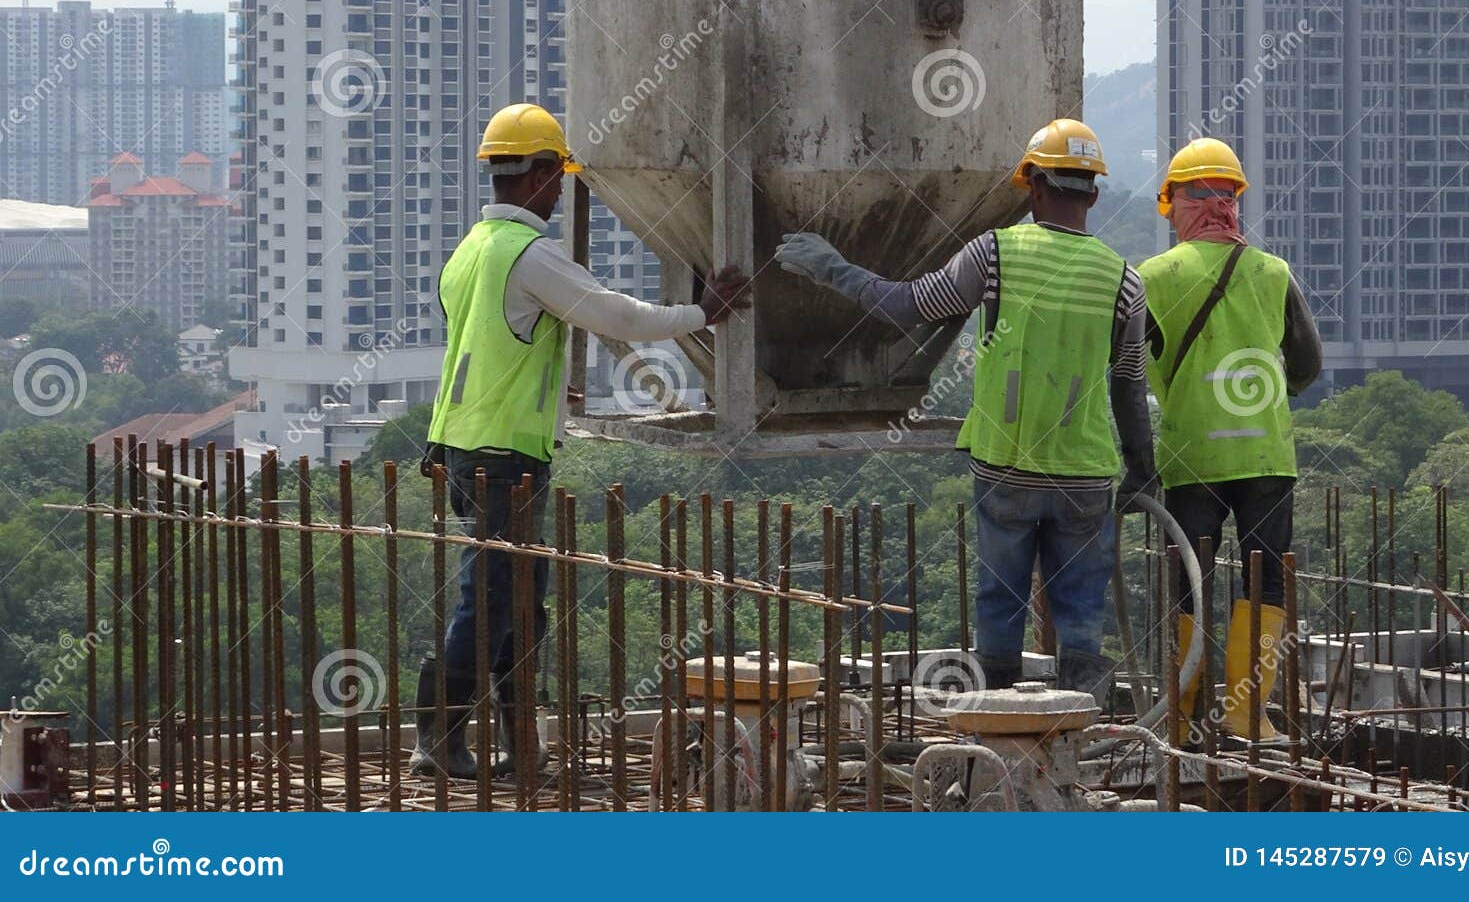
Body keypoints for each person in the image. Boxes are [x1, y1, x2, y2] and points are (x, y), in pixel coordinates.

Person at [411, 102, 750, 779]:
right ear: (537, 174)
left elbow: (489, 349)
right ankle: (437, 742)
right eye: (557, 174)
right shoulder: (528, 255)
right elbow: (612, 314)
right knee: (490, 603)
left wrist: (544, 395)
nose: (561, 188)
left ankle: (516, 746)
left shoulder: (469, 251)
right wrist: (701, 313)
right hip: (501, 459)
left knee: (518, 600)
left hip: (462, 449)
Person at [776, 118, 1156, 704]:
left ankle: (1000, 725)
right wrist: (1142, 468)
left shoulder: (996, 254)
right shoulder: (1124, 280)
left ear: (1032, 187)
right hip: (1086, 474)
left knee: (1001, 599)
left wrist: (830, 266)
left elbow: (907, 306)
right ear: (1095, 194)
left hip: (1005, 464)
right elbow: (1129, 388)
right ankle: (1089, 734)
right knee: (1081, 610)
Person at [1137, 137, 1321, 741]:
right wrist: (1268, 391)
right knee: (1263, 577)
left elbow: (1129, 365)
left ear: (1177, 205)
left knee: (1189, 578)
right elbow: (1307, 362)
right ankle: (1246, 712)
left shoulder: (1152, 278)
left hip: (1191, 454)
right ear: (1233, 202)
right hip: (1266, 453)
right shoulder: (1273, 273)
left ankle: (1183, 718)